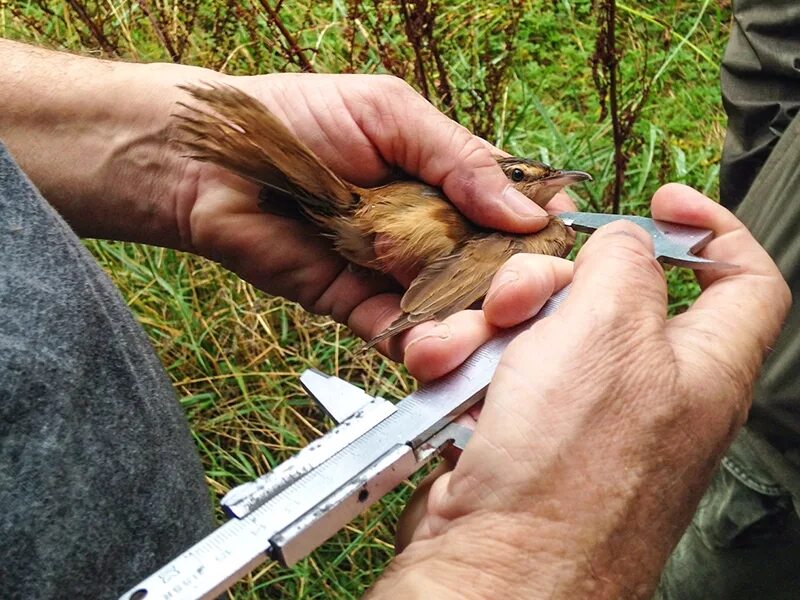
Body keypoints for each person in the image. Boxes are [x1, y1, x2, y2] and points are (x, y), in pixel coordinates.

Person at [0, 38, 789, 599]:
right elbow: (458, 264)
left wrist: (164, 154)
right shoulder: (540, 228)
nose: (547, 182)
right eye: (521, 173)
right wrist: (523, 561)